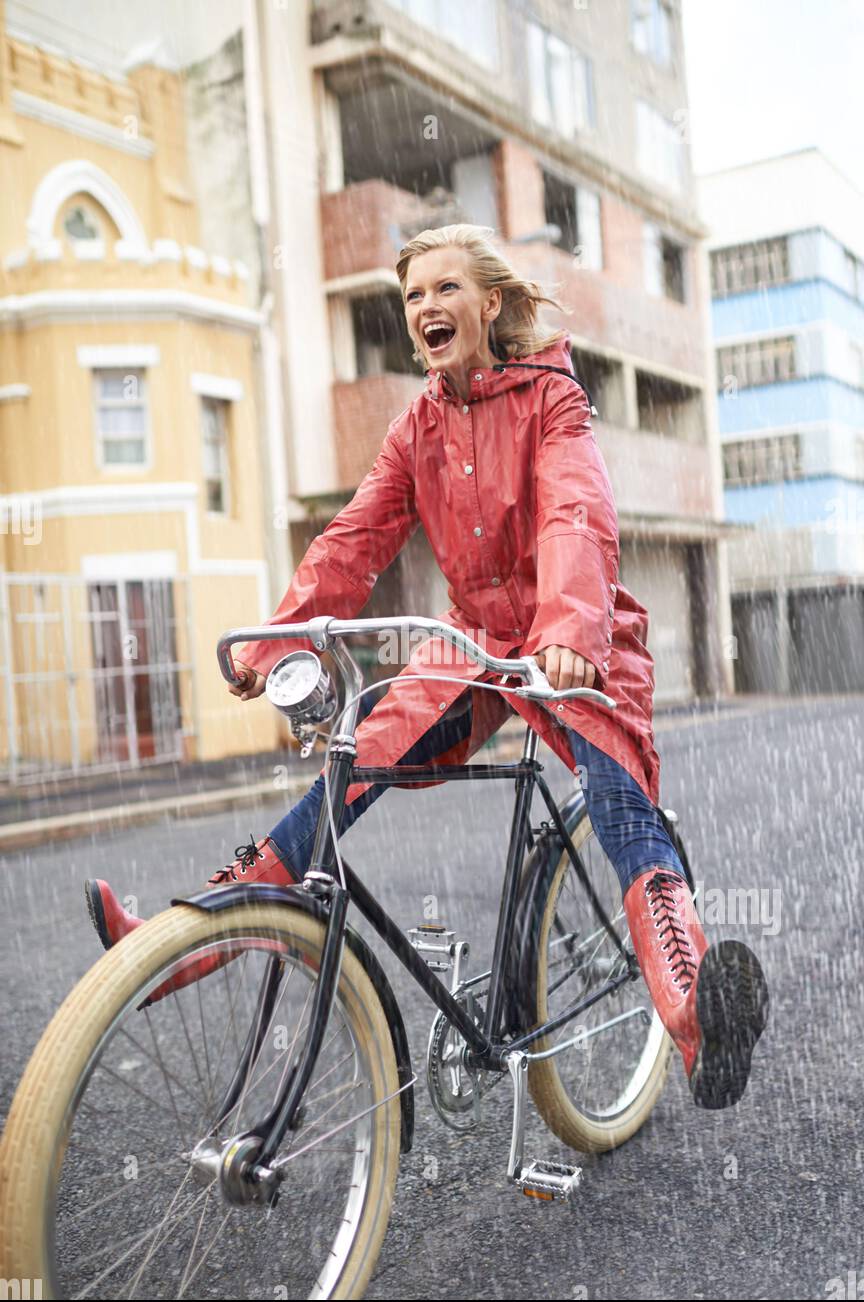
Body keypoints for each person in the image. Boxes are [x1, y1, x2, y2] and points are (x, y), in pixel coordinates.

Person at [86, 223, 768, 1109]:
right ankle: (185, 944)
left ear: (490, 304)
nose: (427, 308)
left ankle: (698, 1015)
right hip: (472, 644)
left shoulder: (552, 400)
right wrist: (274, 638)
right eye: (412, 296)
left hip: (573, 641)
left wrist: (566, 627)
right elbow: (352, 540)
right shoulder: (417, 427)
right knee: (351, 764)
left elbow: (575, 516)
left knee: (618, 801)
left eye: (446, 290)